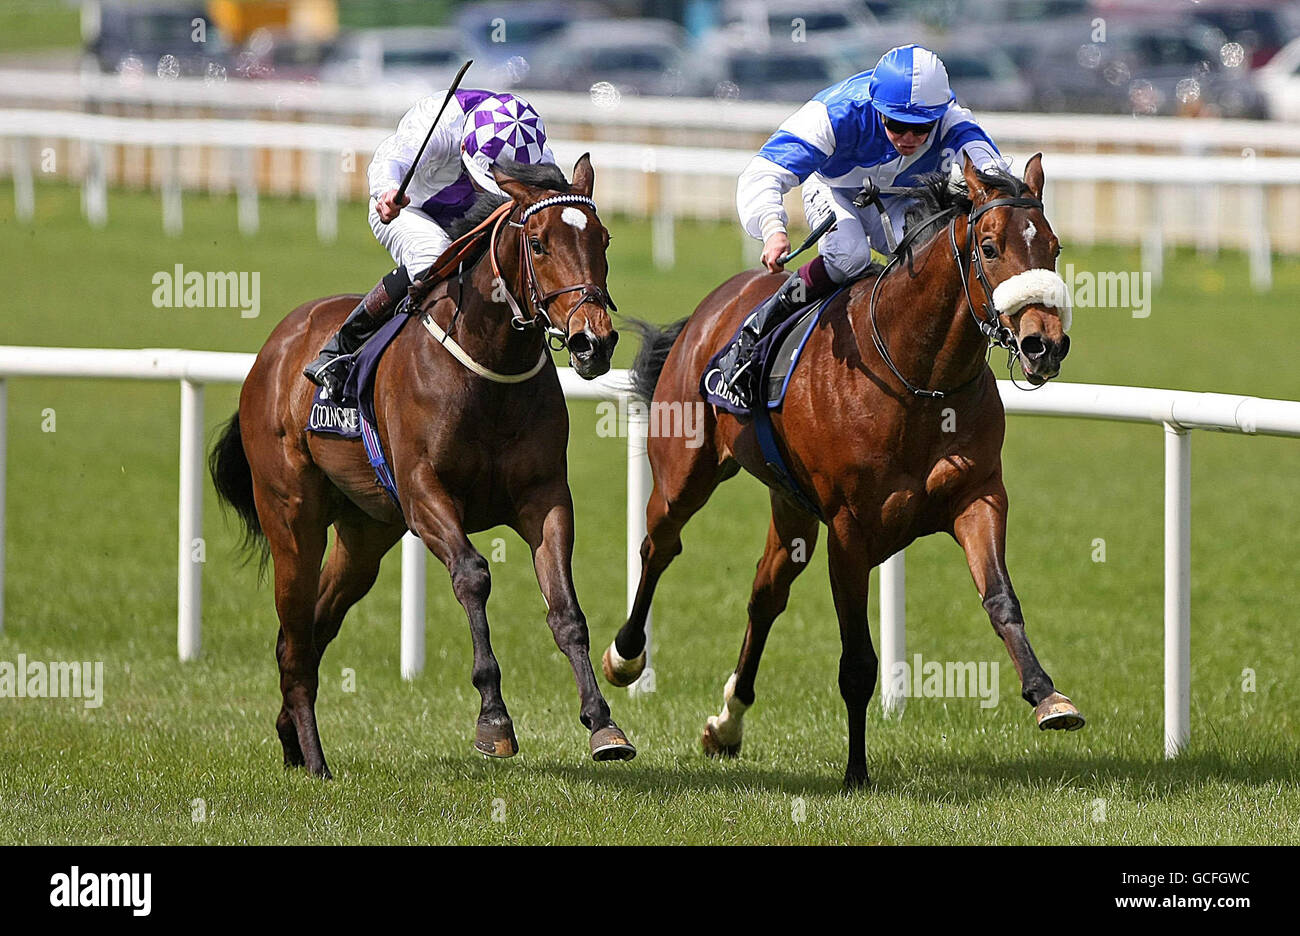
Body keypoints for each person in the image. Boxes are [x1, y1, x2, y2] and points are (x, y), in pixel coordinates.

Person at [720, 44, 1007, 402]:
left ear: (939, 114)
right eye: (898, 125)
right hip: (834, 189)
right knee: (849, 255)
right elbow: (763, 172)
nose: (909, 139)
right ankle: (759, 328)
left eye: (921, 129)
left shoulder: (953, 121)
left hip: (902, 198)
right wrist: (772, 228)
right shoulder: (835, 113)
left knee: (935, 259)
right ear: (876, 109)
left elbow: (992, 172)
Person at [304, 90, 555, 401]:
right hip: (406, 207)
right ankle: (341, 348)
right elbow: (390, 158)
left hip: (469, 217)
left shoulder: (530, 148)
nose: (484, 187)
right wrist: (388, 192)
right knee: (432, 254)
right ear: (465, 146)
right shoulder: (440, 121)